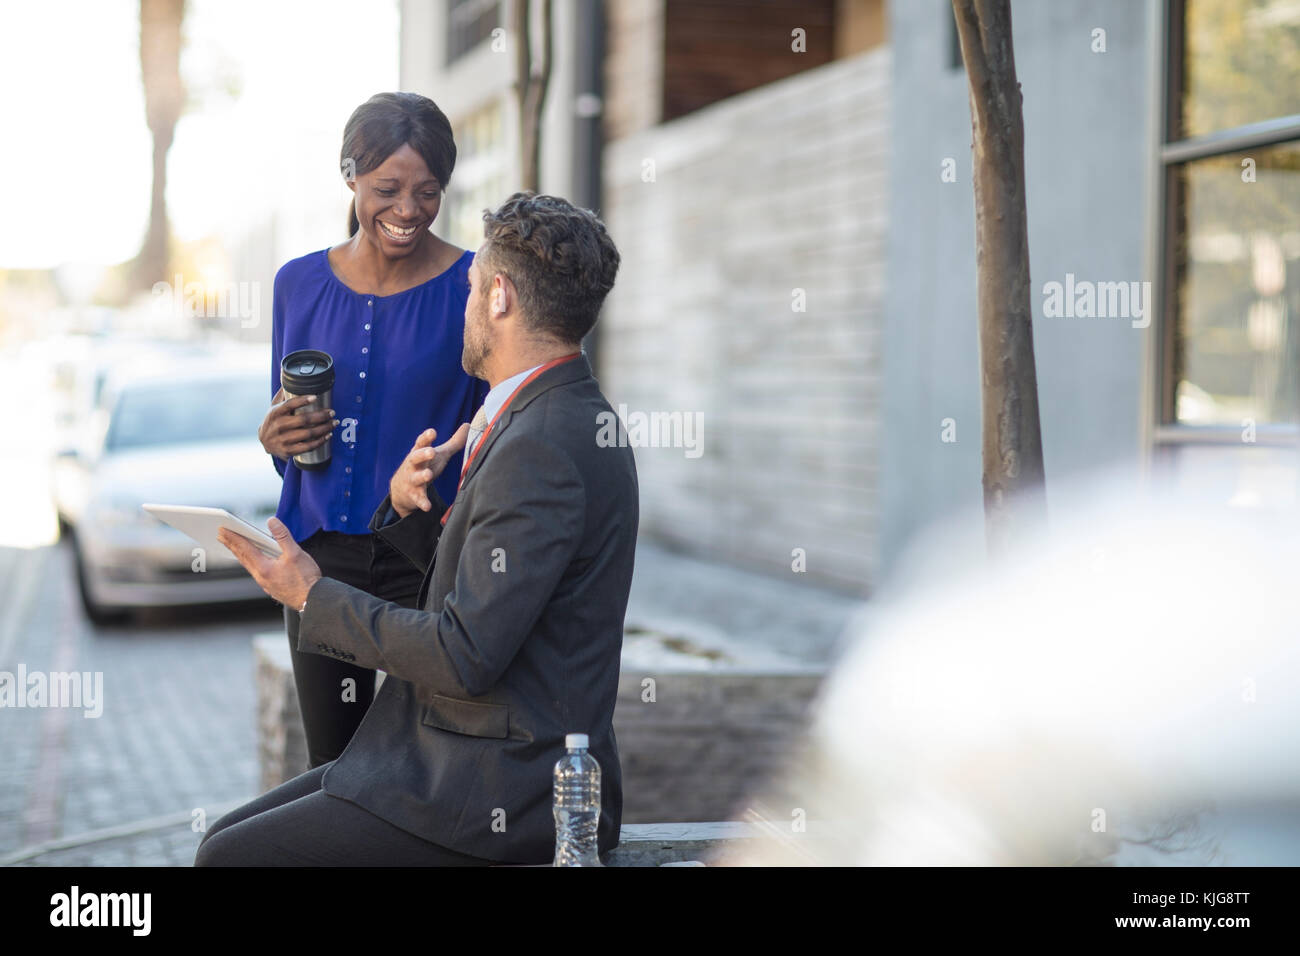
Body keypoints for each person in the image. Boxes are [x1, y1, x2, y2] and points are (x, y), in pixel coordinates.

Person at [197, 192, 637, 866]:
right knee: (223, 840)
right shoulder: (546, 413)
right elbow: (494, 590)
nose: (460, 309)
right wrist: (408, 512)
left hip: (498, 785)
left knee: (229, 859)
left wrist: (311, 593)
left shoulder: (543, 443)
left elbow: (464, 655)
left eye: (466, 290)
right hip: (454, 753)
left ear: (498, 298)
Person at [258, 92, 488, 769]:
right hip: (317, 563)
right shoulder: (297, 283)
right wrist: (276, 443)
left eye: (428, 191)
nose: (409, 209)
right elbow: (288, 433)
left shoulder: (476, 283)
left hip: (428, 560)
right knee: (336, 766)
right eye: (388, 188)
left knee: (437, 765)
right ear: (351, 176)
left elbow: (493, 421)